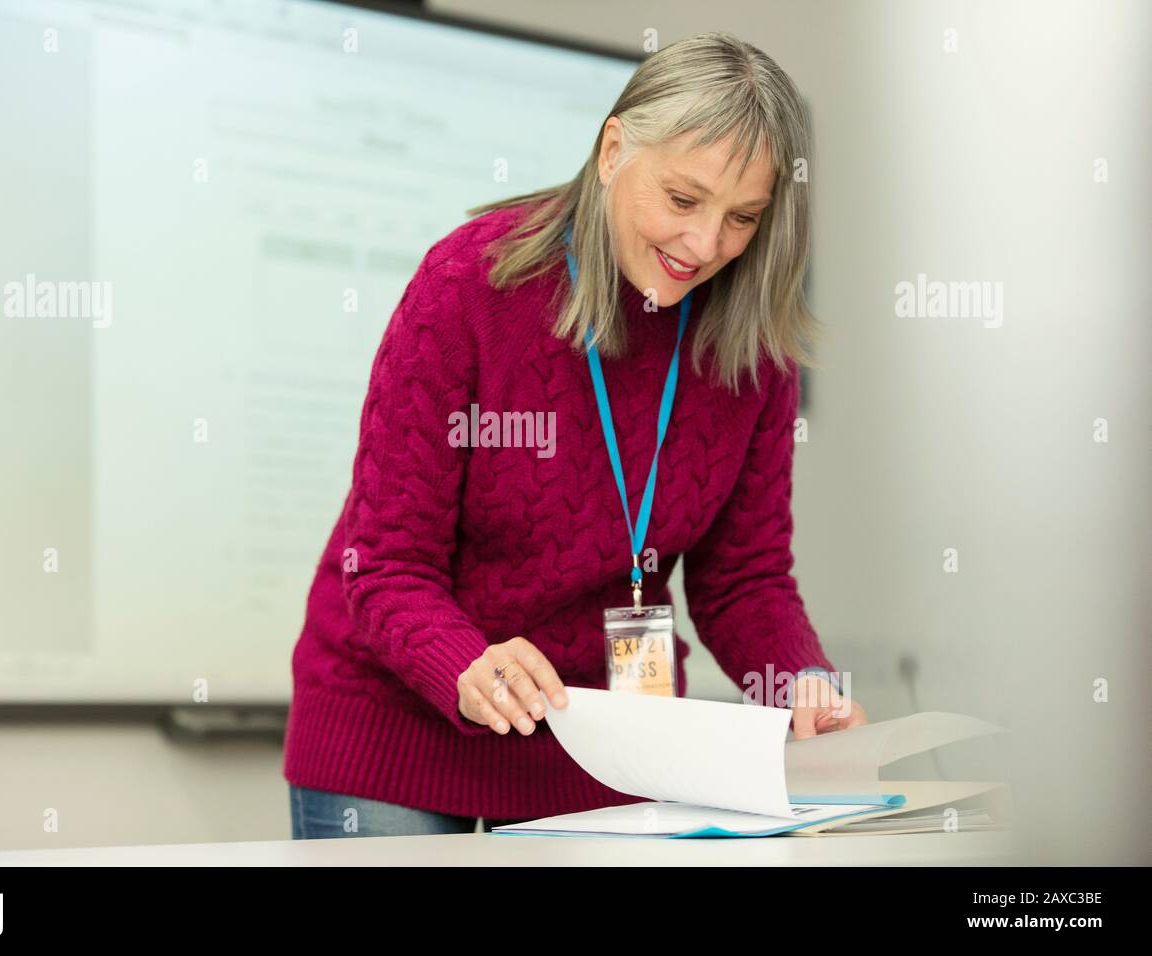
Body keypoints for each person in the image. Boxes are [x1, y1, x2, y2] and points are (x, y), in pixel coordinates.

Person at [285, 31, 867, 840]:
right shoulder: (468, 289)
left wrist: (801, 682)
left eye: (742, 218)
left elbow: (745, 582)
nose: (705, 247)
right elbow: (385, 563)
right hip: (397, 721)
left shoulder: (750, 350)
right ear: (612, 150)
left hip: (605, 741)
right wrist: (464, 664)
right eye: (683, 200)